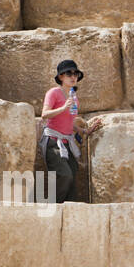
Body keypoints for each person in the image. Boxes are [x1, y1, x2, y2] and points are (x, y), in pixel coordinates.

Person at [39, 59, 103, 204]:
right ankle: (52, 207)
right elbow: (44, 114)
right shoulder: (54, 92)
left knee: (73, 177)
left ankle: (68, 212)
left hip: (67, 142)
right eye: (69, 73)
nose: (73, 77)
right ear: (61, 76)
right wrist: (63, 108)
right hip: (53, 142)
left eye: (75, 74)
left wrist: (84, 130)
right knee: (65, 175)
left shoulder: (74, 97)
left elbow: (69, 121)